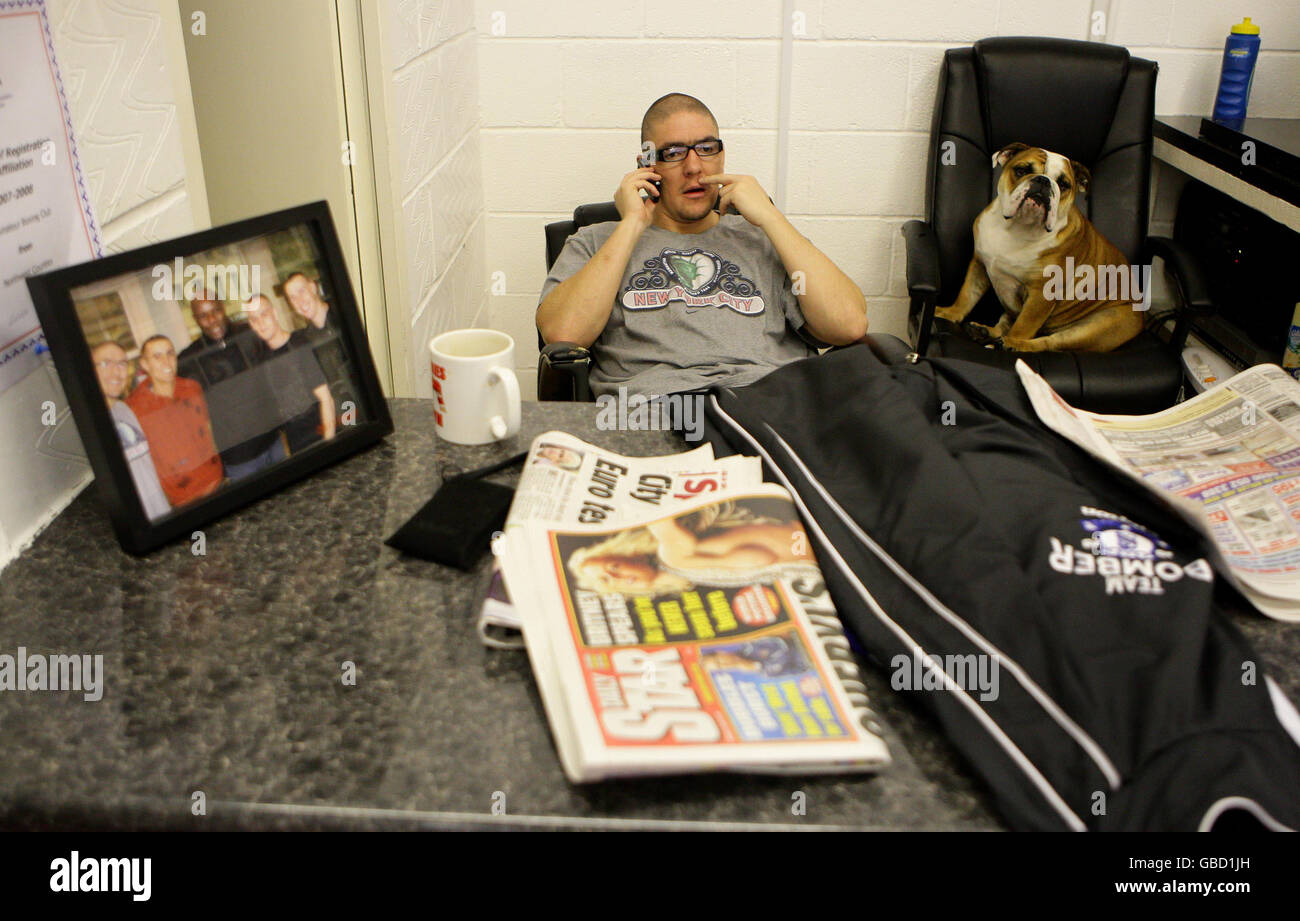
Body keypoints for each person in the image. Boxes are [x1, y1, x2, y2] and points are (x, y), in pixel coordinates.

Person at [537, 92, 868, 398]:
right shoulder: (596, 241)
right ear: (646, 164)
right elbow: (564, 335)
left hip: (767, 407)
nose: (694, 167)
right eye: (675, 153)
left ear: (722, 157)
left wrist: (770, 217)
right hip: (659, 413)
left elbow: (848, 325)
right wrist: (631, 226)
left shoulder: (764, 237)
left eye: (707, 149)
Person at [567, 500, 819, 595]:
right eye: (606, 580)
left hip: (812, 541)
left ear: (627, 555)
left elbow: (658, 519)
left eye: (612, 566)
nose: (615, 576)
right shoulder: (682, 573)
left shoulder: (673, 557)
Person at [178, 294, 285, 481]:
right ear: (195, 320)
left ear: (223, 308)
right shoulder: (189, 359)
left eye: (215, 311)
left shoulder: (250, 333)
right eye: (203, 316)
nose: (212, 320)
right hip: (239, 460)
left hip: (273, 440)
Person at [125, 335, 225, 507]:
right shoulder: (134, 408)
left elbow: (207, 430)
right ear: (145, 364)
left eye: (170, 353)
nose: (167, 361)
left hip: (216, 482)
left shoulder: (191, 388)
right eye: (157, 356)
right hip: (183, 499)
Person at [244, 294, 336, 453]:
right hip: (296, 446)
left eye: (264, 314)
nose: (260, 323)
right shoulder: (261, 361)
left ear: (275, 314)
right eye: (254, 319)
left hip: (322, 435)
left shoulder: (299, 343)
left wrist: (329, 443)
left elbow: (326, 398)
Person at [91, 340, 171, 521]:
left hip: (161, 513)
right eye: (105, 363)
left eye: (121, 363)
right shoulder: (89, 427)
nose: (116, 371)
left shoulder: (124, 409)